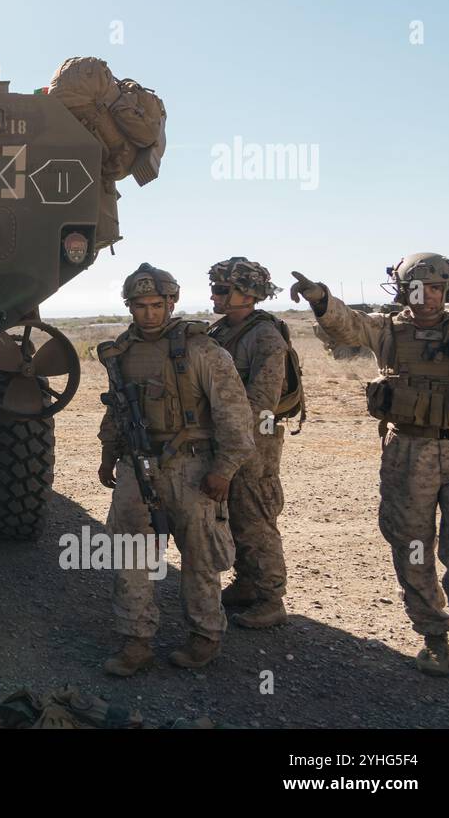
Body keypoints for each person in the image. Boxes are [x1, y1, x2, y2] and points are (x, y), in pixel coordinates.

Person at [292, 254, 449, 676]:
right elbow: (345, 324)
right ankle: (435, 639)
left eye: (434, 289)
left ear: (448, 290)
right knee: (412, 546)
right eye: (415, 288)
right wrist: (320, 298)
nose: (424, 297)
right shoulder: (387, 330)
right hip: (408, 452)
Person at [97, 264, 254, 675]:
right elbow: (115, 409)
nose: (148, 313)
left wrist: (225, 468)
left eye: (156, 304)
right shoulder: (122, 351)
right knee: (131, 555)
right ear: (129, 306)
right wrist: (108, 453)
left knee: (200, 559)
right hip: (138, 465)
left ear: (172, 303)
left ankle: (205, 637)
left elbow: (235, 416)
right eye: (140, 305)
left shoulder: (202, 351)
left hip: (192, 468)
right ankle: (136, 641)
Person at [207, 257, 291, 629]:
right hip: (229, 436)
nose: (215, 295)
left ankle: (272, 599)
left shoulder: (266, 337)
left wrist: (237, 444)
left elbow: (263, 403)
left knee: (255, 516)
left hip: (256, 440)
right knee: (233, 513)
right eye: (215, 288)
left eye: (223, 290)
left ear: (249, 294)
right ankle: (246, 583)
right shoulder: (220, 331)